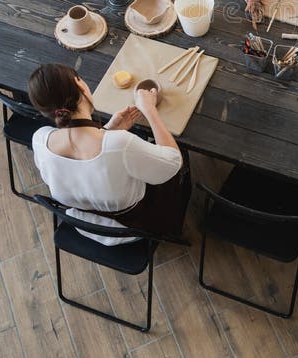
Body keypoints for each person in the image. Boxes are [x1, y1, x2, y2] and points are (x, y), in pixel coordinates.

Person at [28, 63, 191, 245]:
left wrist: (107, 131)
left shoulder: (40, 140)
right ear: (80, 85)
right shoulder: (120, 144)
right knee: (181, 153)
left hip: (82, 224)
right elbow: (173, 162)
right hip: (127, 228)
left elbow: (80, 169)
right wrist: (149, 110)